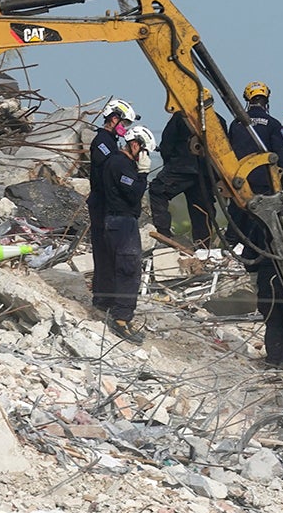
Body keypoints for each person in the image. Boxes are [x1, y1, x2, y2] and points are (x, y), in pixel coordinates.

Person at [100, 124, 155, 344]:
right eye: (144, 152)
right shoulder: (120, 164)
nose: (145, 157)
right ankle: (121, 319)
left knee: (123, 268)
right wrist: (142, 175)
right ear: (135, 145)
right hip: (122, 222)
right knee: (128, 270)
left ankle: (121, 314)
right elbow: (133, 194)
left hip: (119, 221)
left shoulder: (118, 162)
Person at [87, 99, 140, 313]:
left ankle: (105, 296)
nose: (125, 128)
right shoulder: (102, 142)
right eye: (124, 123)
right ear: (114, 118)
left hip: (106, 203)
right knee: (103, 251)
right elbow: (110, 168)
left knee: (109, 251)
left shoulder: (110, 142)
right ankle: (103, 298)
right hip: (101, 203)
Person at [148, 111, 223, 247]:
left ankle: (164, 236)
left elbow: (167, 144)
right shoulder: (218, 120)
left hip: (180, 168)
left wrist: (169, 165)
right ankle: (203, 247)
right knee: (202, 210)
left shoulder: (180, 116)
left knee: (157, 191)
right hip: (206, 174)